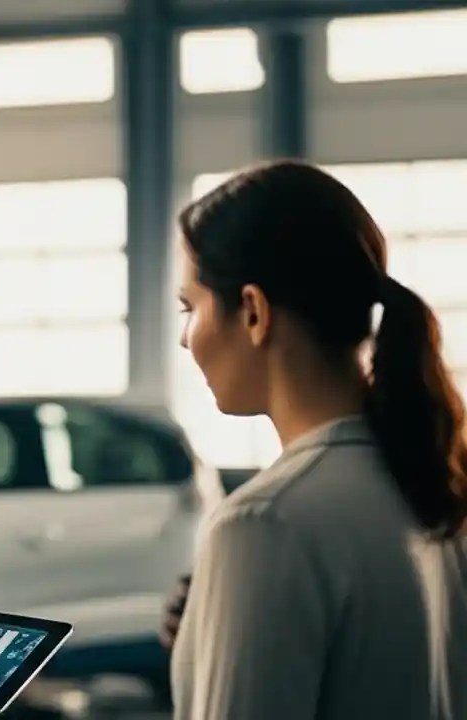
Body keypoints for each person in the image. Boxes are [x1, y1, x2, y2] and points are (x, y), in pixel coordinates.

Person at [168, 159, 467, 719]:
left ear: (253, 312)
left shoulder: (262, 524)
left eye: (190, 308)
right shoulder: (435, 487)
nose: (187, 341)